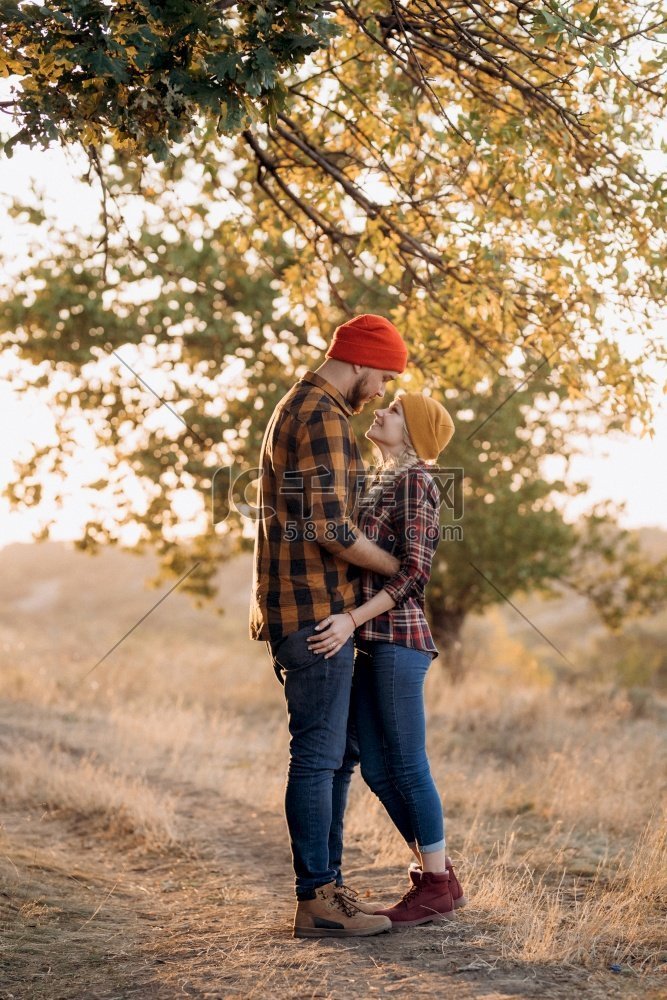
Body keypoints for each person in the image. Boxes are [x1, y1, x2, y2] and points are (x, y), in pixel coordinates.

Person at [249, 313, 409, 938]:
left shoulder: (304, 405)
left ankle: (328, 891)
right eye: (383, 377)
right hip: (313, 610)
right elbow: (331, 529)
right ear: (363, 361)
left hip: (305, 604)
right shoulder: (320, 415)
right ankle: (316, 898)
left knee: (335, 752)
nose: (379, 393)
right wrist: (399, 567)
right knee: (319, 755)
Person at [306, 390, 468, 927]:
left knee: (407, 764)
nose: (380, 412)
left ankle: (437, 884)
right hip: (372, 644)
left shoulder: (418, 480)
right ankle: (438, 874)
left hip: (399, 641)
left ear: (414, 431)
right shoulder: (380, 483)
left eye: (394, 410)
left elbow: (414, 573)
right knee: (376, 767)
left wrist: (352, 619)